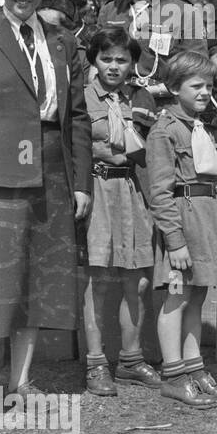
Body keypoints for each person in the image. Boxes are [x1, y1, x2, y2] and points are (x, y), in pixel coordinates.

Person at [0, 0, 91, 404]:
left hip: (53, 173)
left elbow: (78, 117)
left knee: (37, 282)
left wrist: (80, 183)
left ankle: (20, 383)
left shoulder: (61, 40)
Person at [146, 50, 217, 409]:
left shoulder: (204, 126)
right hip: (182, 228)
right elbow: (159, 193)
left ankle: (195, 368)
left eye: (209, 86)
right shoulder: (164, 131)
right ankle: (173, 374)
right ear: (174, 87)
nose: (205, 92)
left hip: (208, 220)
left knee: (197, 295)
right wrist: (174, 241)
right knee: (177, 296)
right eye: (196, 86)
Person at [80, 28, 158, 397]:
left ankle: (130, 359)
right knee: (97, 282)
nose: (114, 66)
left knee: (138, 280)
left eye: (122, 59)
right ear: (95, 59)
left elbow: (151, 149)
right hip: (98, 190)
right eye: (106, 58)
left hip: (132, 190)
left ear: (132, 63)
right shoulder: (81, 97)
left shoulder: (141, 98)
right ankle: (96, 363)